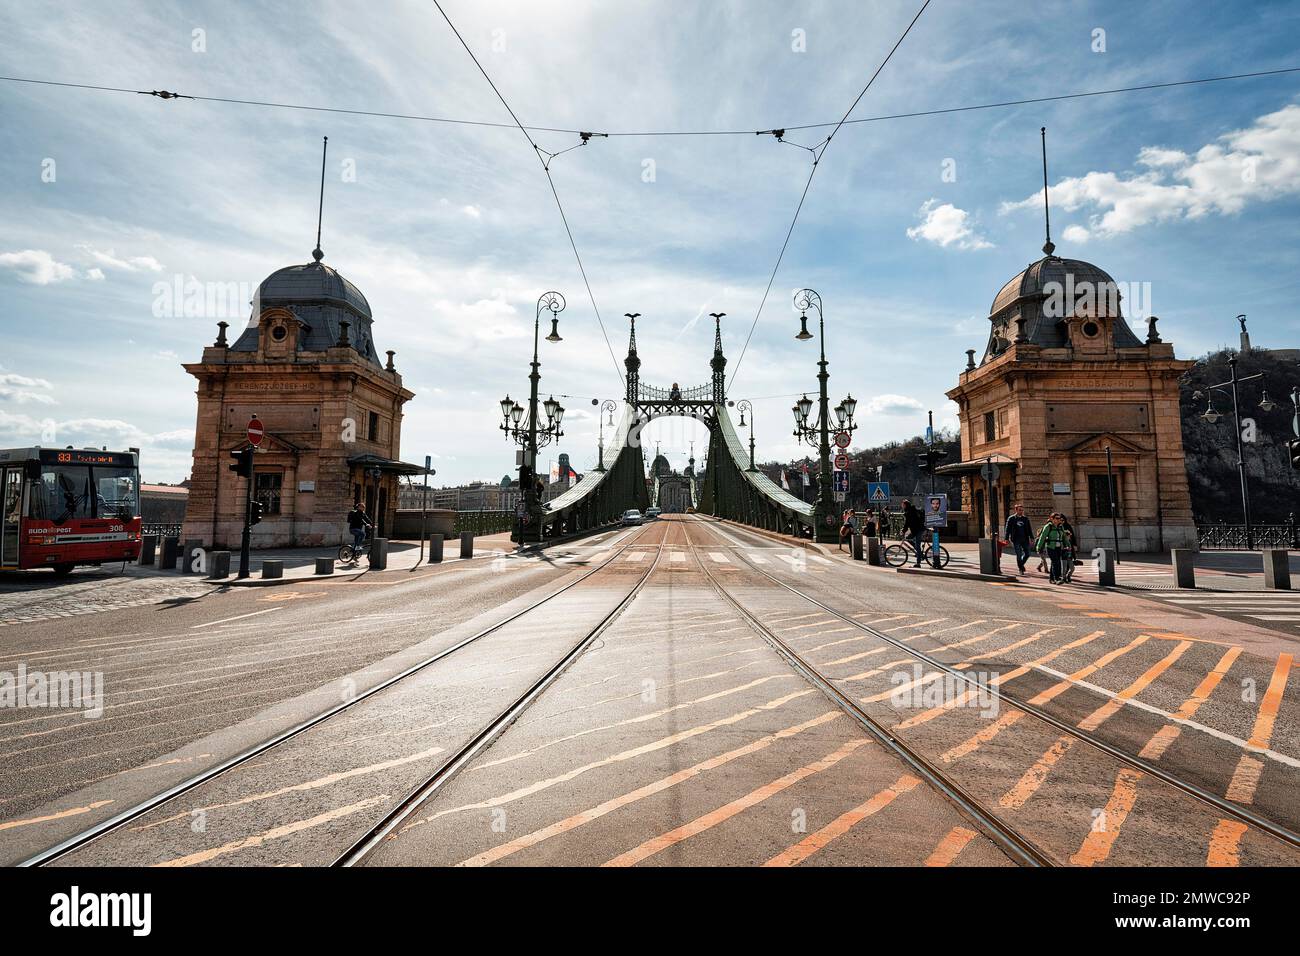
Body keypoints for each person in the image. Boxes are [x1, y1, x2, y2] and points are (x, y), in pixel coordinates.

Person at [1035, 513, 1067, 584]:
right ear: (1052, 519)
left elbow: (1064, 537)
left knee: (1054, 562)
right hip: (1050, 547)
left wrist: (1068, 545)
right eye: (1057, 518)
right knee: (1056, 562)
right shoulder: (1048, 526)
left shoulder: (1061, 527)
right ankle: (1057, 578)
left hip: (1058, 547)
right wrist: (1038, 547)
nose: (1059, 520)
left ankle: (1051, 579)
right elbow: (1042, 537)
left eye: (1059, 518)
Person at [1004, 503, 1035, 574]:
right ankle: (1021, 569)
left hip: (1025, 539)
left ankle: (1021, 565)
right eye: (1020, 510)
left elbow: (1029, 529)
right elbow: (1007, 529)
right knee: (1019, 554)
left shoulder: (1025, 519)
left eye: (1022, 510)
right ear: (1016, 510)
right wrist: (1006, 538)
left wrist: (1032, 537)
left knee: (1028, 554)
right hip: (1016, 539)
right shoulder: (1011, 518)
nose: (1021, 511)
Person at [901, 499, 925, 567]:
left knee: (918, 545)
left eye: (902, 505)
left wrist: (903, 530)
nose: (902, 506)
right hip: (917, 529)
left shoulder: (909, 512)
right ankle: (919, 553)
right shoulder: (911, 510)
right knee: (908, 538)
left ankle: (918, 563)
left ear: (905, 505)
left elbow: (907, 523)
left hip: (918, 529)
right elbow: (908, 523)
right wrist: (904, 529)